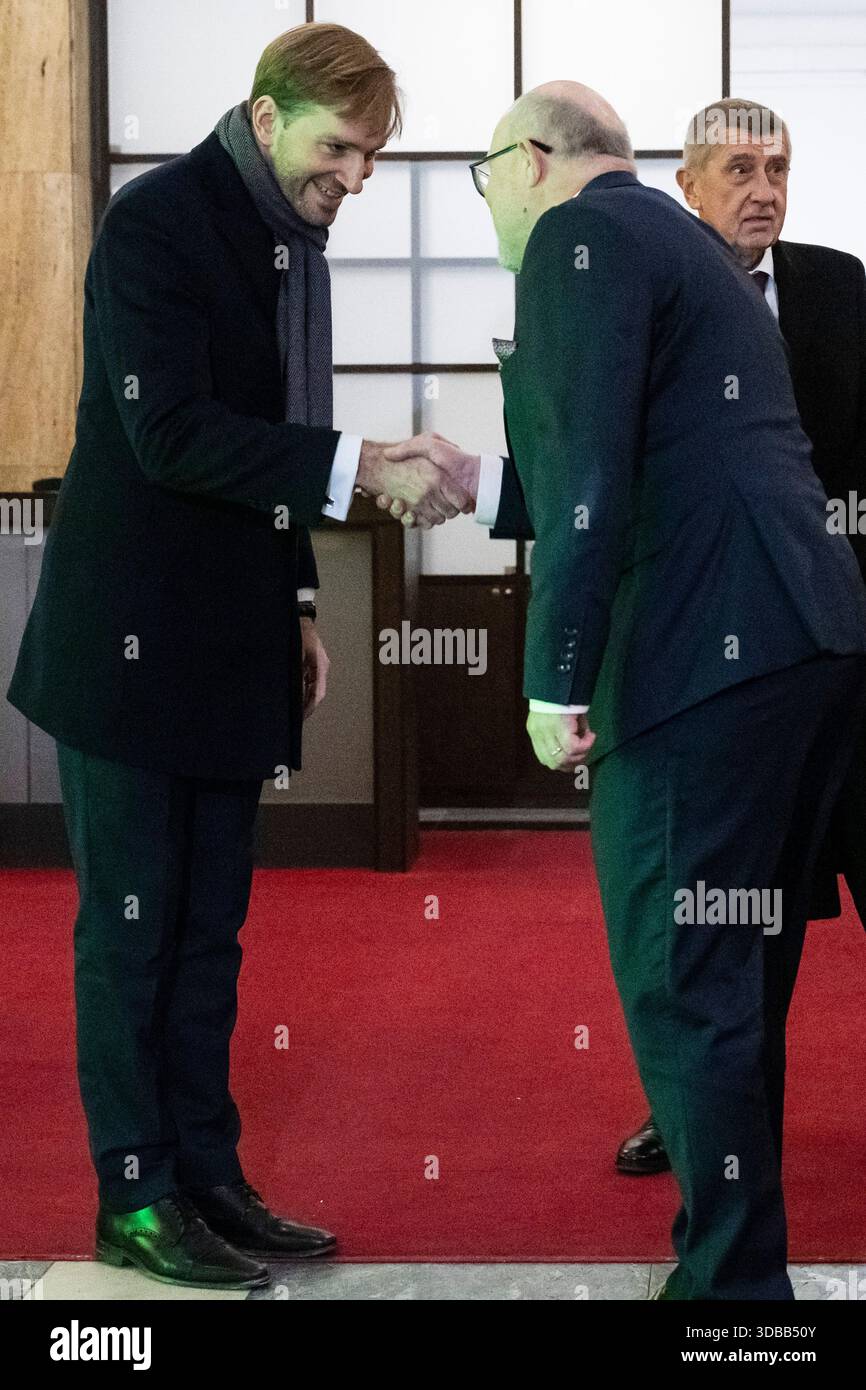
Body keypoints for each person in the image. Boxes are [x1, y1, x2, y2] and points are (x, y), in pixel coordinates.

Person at [381, 80, 866, 1298]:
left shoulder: (576, 235)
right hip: (799, 642)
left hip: (704, 656)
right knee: (728, 965)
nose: (491, 205)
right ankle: (730, 1266)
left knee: (681, 976)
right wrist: (473, 483)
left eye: (487, 177)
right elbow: (628, 466)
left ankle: (730, 1298)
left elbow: (593, 476)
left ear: (531, 160)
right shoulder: (682, 249)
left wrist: (549, 679)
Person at [6, 21, 467, 1292]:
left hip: (228, 641)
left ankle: (209, 1171)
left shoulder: (288, 240)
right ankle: (134, 1196)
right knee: (134, 935)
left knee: (211, 934)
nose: (356, 177)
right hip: (128, 648)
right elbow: (175, 437)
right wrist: (364, 469)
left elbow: (279, 423)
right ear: (265, 119)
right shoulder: (159, 224)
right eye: (340, 149)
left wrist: (301, 600)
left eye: (372, 156)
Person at [617, 97, 866, 1179]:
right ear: (685, 184)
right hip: (730, 660)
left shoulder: (835, 285)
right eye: (735, 167)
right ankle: (707, 1121)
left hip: (851, 641)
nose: (760, 187)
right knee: (740, 915)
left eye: (776, 164)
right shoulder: (656, 289)